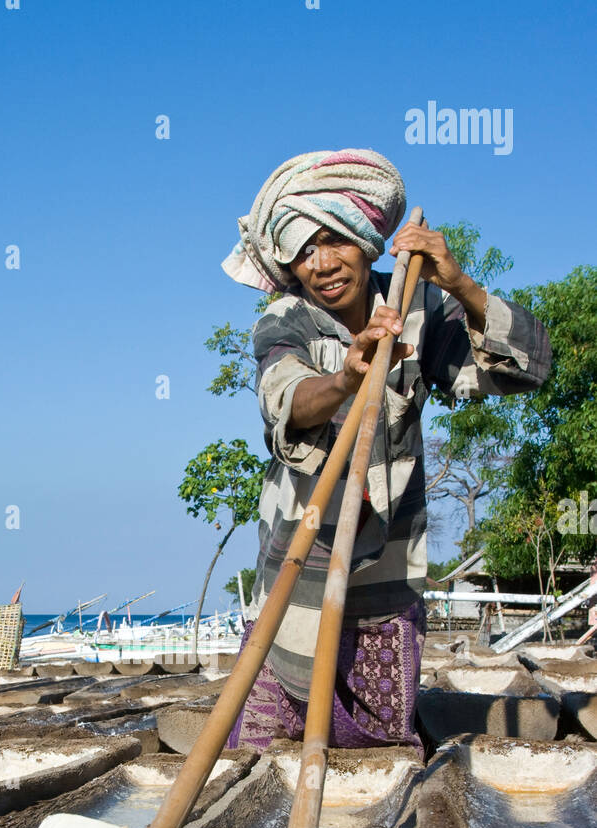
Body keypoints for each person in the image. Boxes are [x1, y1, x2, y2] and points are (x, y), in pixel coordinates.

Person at [220, 149, 552, 753]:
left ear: (364, 240)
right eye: (303, 251)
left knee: (377, 750)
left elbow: (528, 368)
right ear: (290, 267)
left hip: (386, 566)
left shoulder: (417, 307)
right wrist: (347, 378)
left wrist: (459, 283)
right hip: (299, 564)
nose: (322, 263)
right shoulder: (284, 319)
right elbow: (286, 400)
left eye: (333, 241)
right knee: (266, 750)